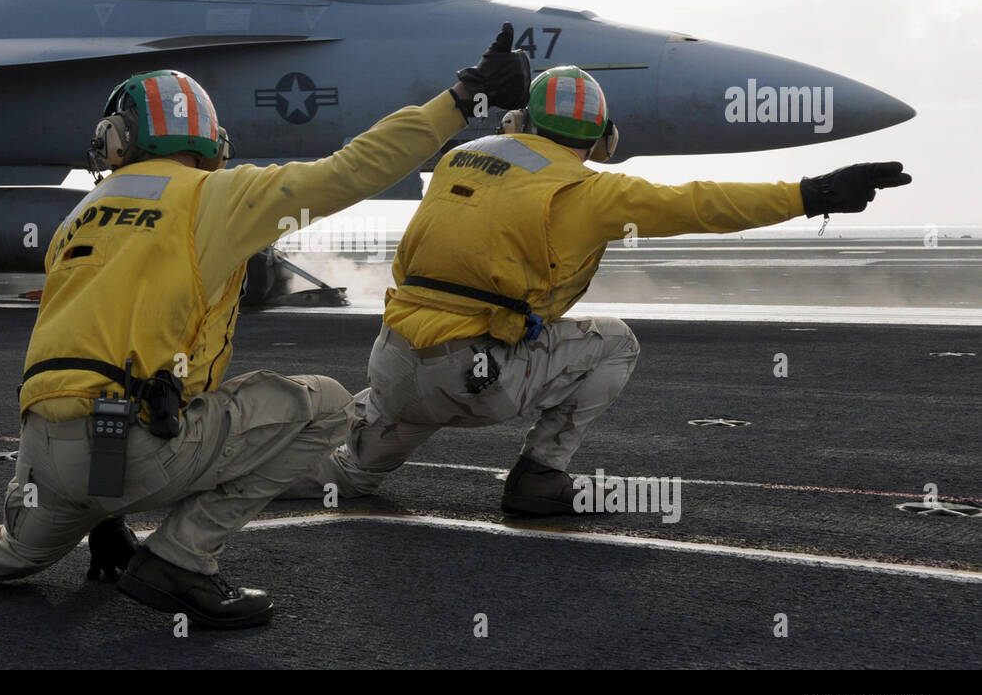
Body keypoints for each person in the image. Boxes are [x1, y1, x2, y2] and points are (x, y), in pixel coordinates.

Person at [0, 25, 532, 628]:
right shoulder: (217, 195)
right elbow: (353, 168)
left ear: (118, 141)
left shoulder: (79, 216)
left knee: (6, 547)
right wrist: (462, 97)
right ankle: (183, 561)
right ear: (206, 140)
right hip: (133, 447)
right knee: (322, 400)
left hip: (46, 449)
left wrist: (100, 509)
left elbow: (95, 349)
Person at [287, 65, 913, 515]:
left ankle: (249, 469)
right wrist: (814, 193)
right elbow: (705, 204)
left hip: (395, 365)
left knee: (351, 479)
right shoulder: (593, 192)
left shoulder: (458, 159)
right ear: (603, 139)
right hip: (475, 380)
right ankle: (540, 479)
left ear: (520, 120)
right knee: (613, 342)